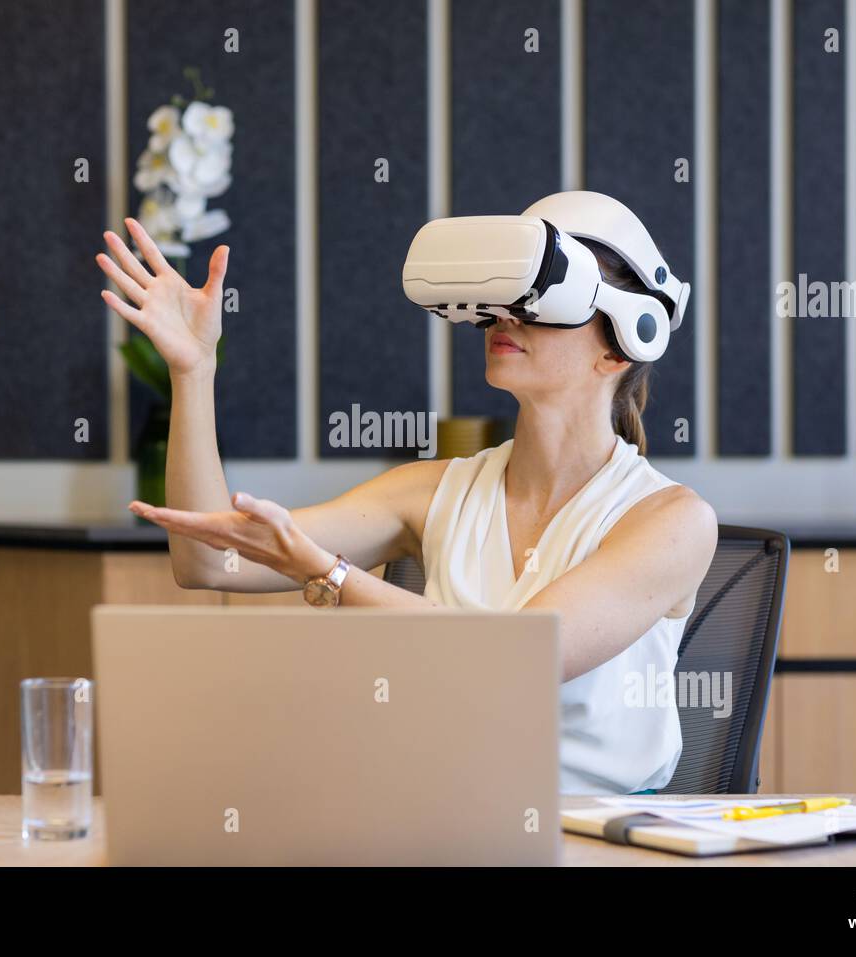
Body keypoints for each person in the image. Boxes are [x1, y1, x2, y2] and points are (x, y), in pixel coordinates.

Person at [94, 192, 717, 794]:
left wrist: (326, 573)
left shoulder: (672, 521)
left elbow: (517, 662)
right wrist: (193, 370)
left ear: (621, 346)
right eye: (505, 296)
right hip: (441, 817)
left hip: (602, 835)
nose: (506, 317)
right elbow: (207, 561)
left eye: (542, 299)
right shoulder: (434, 490)